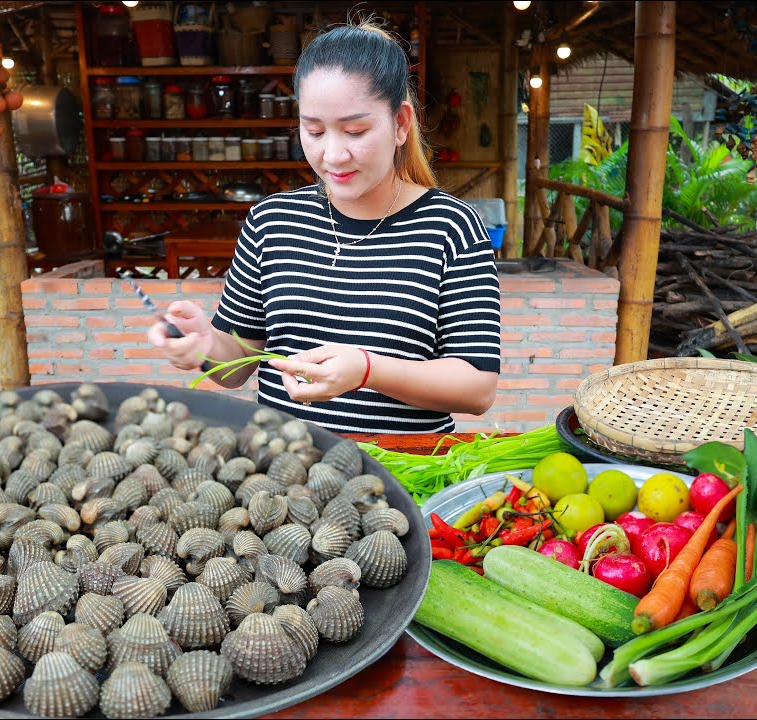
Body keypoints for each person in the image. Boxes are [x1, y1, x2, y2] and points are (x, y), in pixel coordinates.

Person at [149, 20, 501, 434]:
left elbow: (477, 388)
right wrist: (204, 346)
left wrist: (368, 370)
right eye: (314, 131)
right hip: (286, 471)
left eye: (355, 130)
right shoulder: (272, 222)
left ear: (401, 123)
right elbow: (234, 370)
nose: (332, 154)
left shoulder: (452, 227)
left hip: (400, 476)